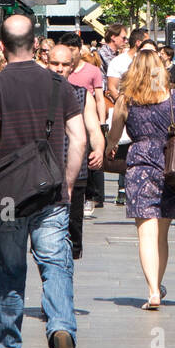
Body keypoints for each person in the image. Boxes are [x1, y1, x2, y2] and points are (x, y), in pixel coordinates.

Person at [0, 14, 85, 348]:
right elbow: (79, 138)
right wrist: (66, 182)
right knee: (55, 265)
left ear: (0, 47)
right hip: (50, 195)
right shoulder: (58, 85)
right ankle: (61, 330)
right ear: (37, 45)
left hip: (5, 200)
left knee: (9, 269)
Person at [106, 46, 175, 310]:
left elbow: (114, 135)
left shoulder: (125, 100)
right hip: (170, 165)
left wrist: (108, 149)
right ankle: (158, 283)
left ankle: (153, 290)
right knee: (162, 235)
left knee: (146, 234)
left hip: (139, 165)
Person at [47, 44, 105, 259]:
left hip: (76, 172)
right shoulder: (36, 94)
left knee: (72, 236)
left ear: (72, 67)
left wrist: (99, 148)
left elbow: (93, 128)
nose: (59, 69)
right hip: (44, 172)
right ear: (47, 63)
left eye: (64, 65)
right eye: (55, 64)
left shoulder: (82, 94)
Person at [63, 33, 107, 217]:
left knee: (87, 159)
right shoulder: (61, 71)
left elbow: (99, 98)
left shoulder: (92, 71)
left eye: (73, 50)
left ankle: (91, 196)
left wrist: (102, 122)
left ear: (79, 50)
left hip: (85, 117)